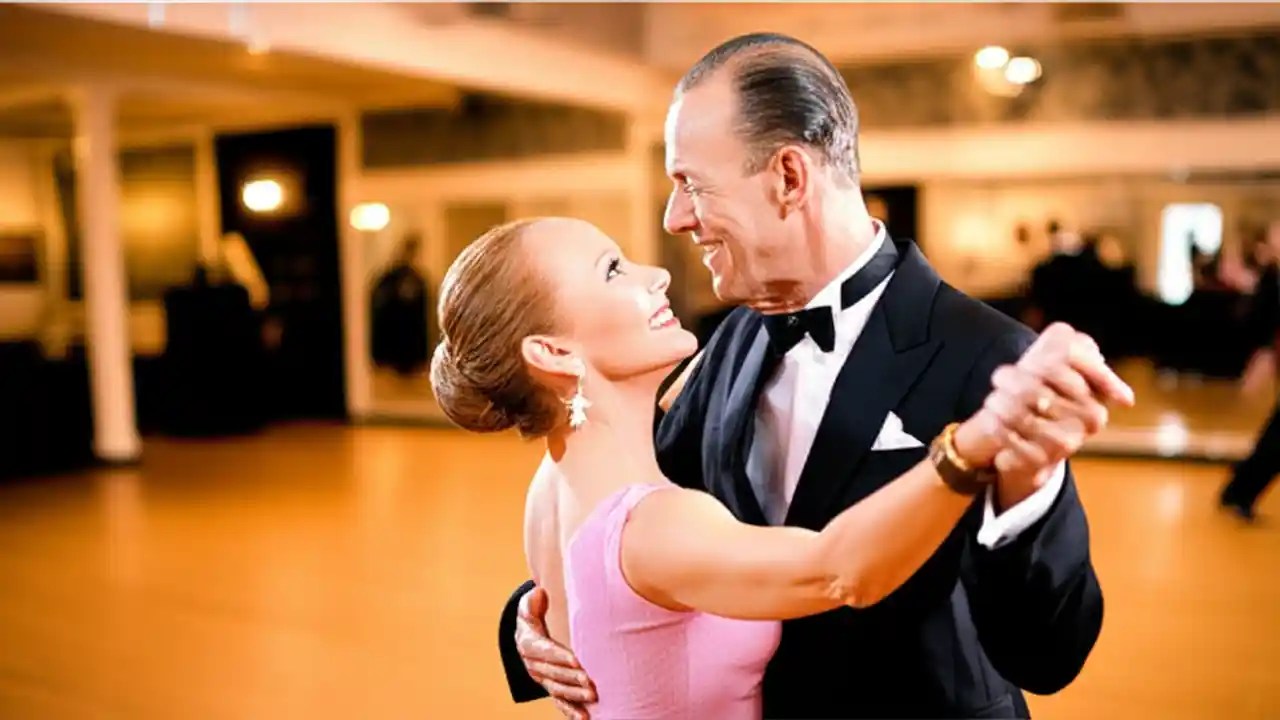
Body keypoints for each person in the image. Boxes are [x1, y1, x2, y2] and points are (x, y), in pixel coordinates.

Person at [503, 33, 1128, 719]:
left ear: (789, 178)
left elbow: (1048, 655)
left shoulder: (992, 353)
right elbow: (626, 520)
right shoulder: (728, 339)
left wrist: (1029, 491)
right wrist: (537, 622)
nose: (675, 218)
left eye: (691, 185)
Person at [432, 215, 1130, 719]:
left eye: (693, 183)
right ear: (552, 352)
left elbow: (606, 591)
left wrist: (543, 623)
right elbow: (835, 568)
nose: (671, 237)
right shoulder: (659, 509)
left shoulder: (555, 479)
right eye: (613, 269)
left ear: (789, 175)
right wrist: (977, 440)